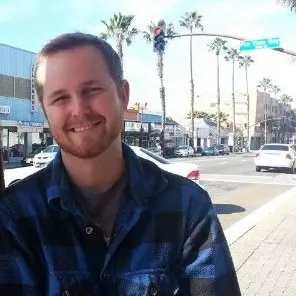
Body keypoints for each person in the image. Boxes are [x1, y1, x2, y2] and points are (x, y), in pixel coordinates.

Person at [0, 33, 241, 295]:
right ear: (46, 111)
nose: (79, 110)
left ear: (123, 95)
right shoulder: (16, 215)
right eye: (60, 98)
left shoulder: (188, 207)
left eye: (91, 90)